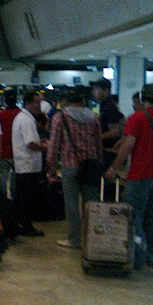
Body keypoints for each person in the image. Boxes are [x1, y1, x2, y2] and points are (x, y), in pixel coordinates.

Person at [106, 84, 153, 270]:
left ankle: (137, 257)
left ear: (144, 99)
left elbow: (127, 147)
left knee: (133, 216)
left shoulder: (138, 118)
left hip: (140, 174)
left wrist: (113, 169)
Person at [46, 92, 103, 249]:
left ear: (66, 101)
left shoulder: (60, 117)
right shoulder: (94, 118)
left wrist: (50, 165)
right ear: (82, 100)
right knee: (90, 203)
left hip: (70, 164)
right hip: (91, 165)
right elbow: (99, 143)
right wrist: (99, 163)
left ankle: (75, 239)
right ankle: (92, 237)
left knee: (71, 204)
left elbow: (54, 144)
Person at [11, 91, 47, 237]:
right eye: (37, 102)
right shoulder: (26, 120)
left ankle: (20, 224)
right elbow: (30, 143)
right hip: (28, 166)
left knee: (22, 198)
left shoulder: (23, 118)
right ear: (28, 103)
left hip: (23, 165)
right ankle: (26, 226)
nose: (39, 105)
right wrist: (45, 148)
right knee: (27, 199)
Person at [92, 78, 125, 199]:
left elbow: (114, 132)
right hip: (106, 151)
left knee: (106, 184)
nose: (94, 92)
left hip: (109, 152)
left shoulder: (109, 107)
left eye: (96, 89)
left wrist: (94, 138)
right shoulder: (105, 106)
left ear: (106, 90)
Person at [0, 88, 20, 195]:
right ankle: (15, 203)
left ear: (4, 100)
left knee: (2, 179)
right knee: (16, 180)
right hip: (18, 151)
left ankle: (3, 205)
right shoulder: (21, 114)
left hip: (3, 151)